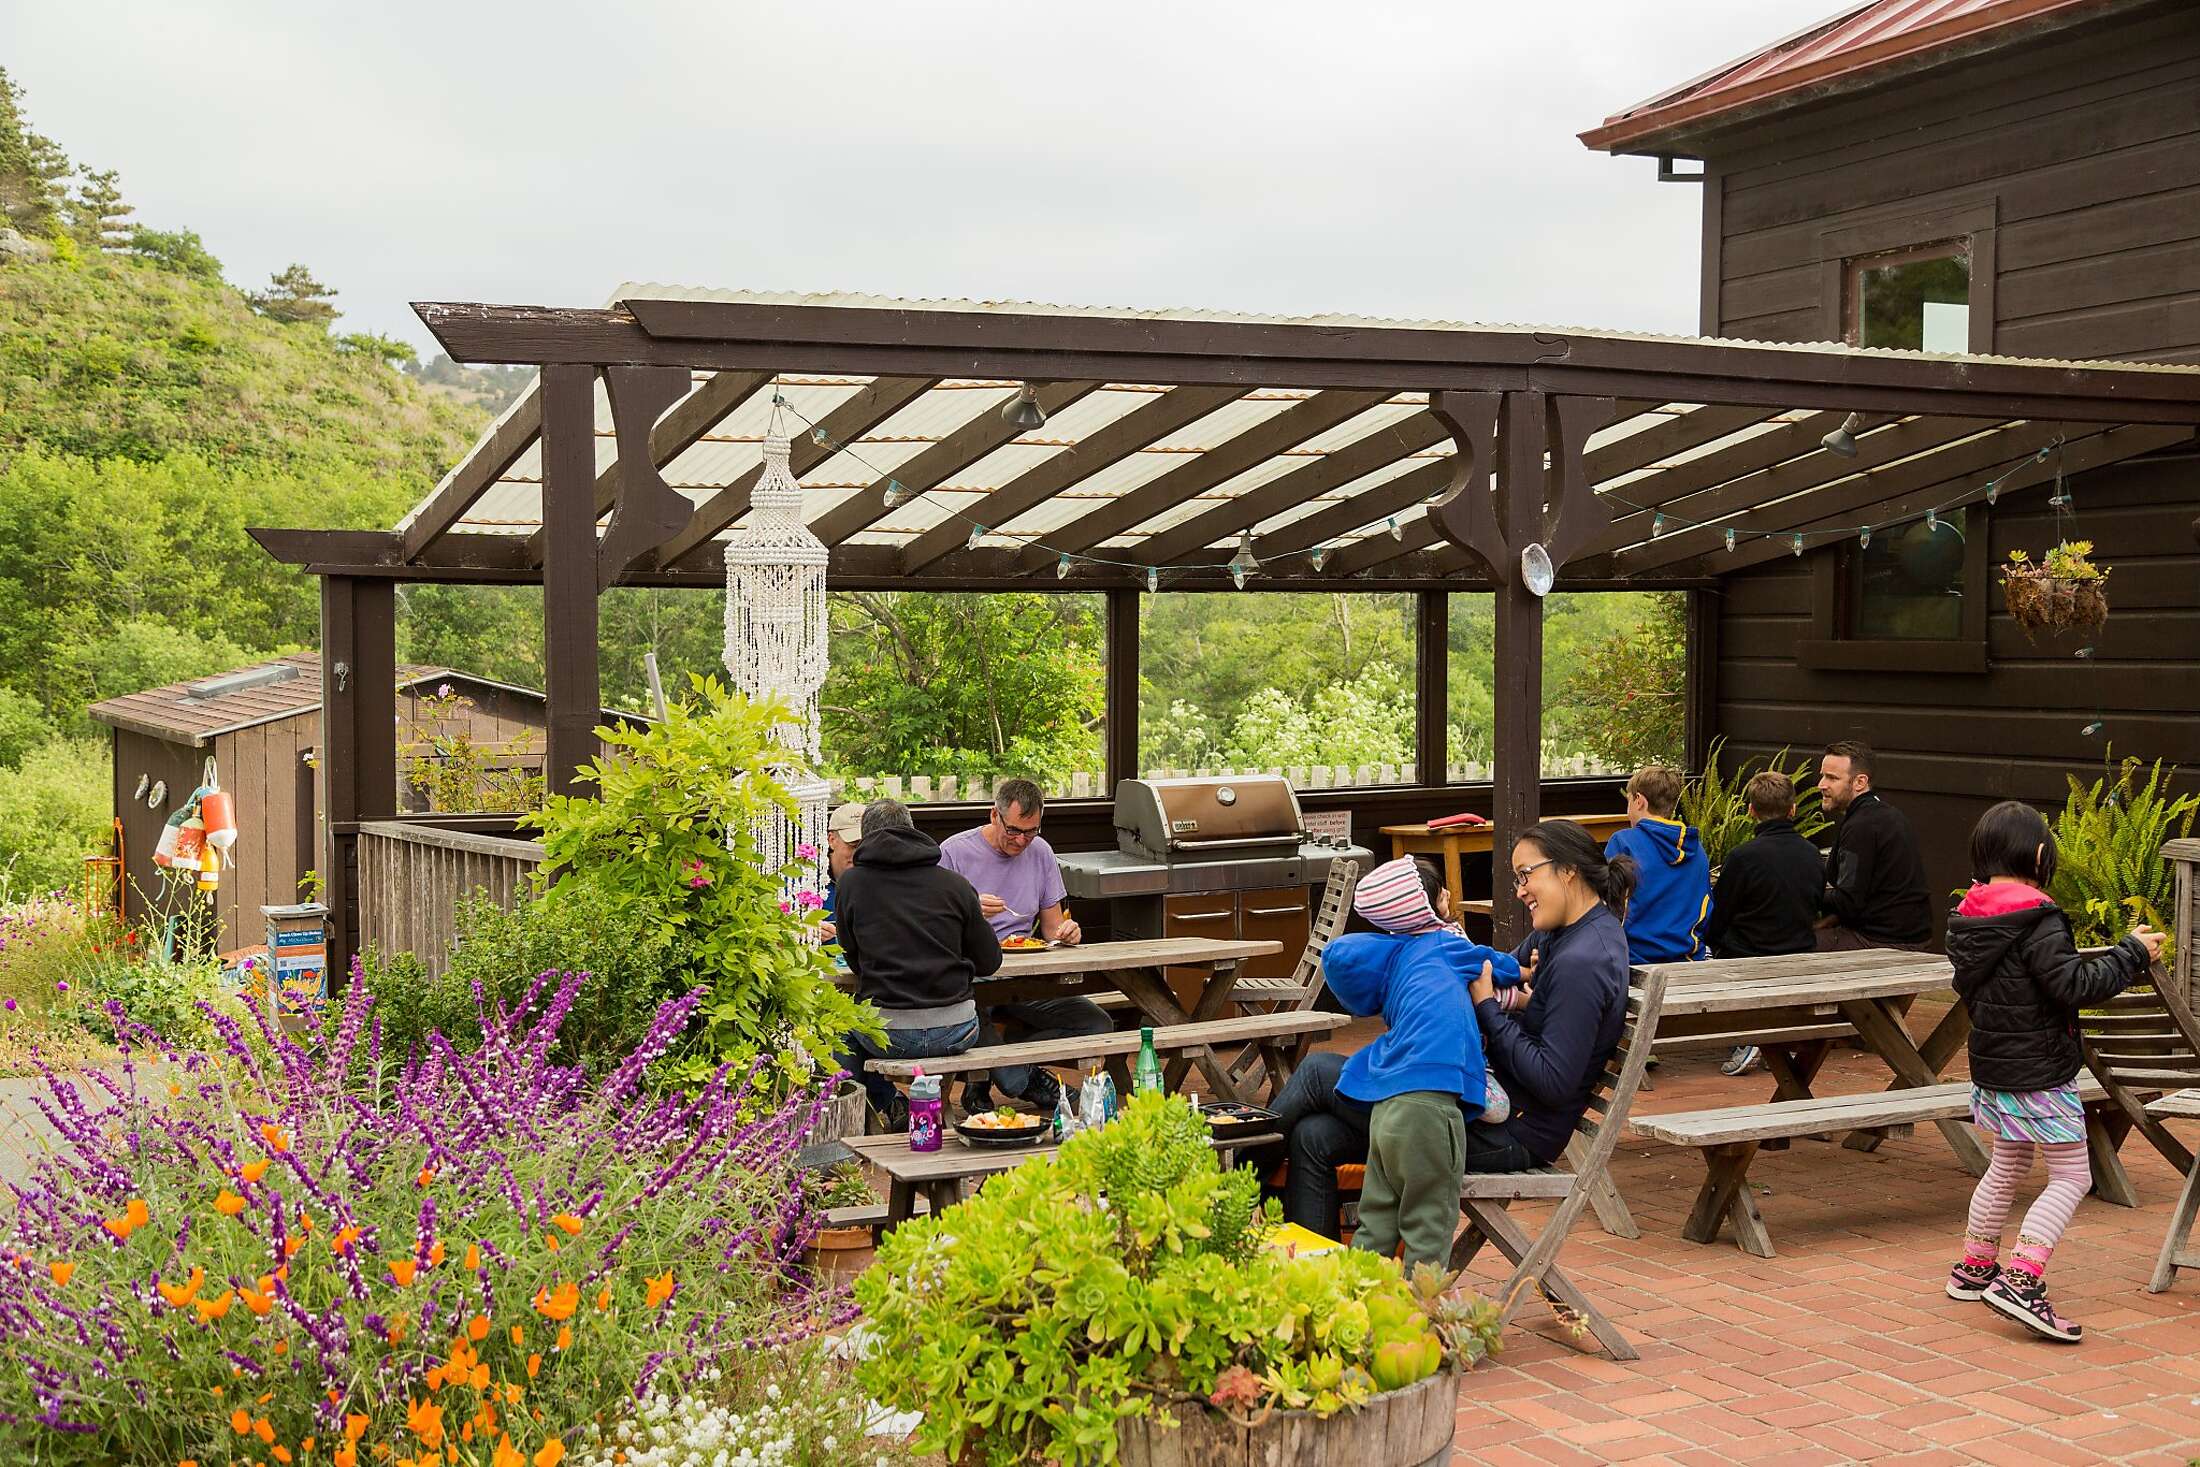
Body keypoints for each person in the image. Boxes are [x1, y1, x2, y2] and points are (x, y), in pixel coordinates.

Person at [1943, 800, 2163, 1343]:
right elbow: (2073, 986)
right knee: (2072, 1175)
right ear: (2042, 855)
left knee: (2008, 1162)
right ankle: (2021, 1281)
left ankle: (1975, 1266)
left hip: (1993, 1067)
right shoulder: (2037, 918)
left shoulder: (1970, 917)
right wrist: (2132, 952)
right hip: (2040, 1071)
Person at [1265, 858, 1519, 1264]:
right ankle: (1419, 1317)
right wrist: (1526, 972)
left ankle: (1347, 1300)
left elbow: (1343, 954)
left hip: (1386, 1105)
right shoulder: (1449, 944)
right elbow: (1496, 968)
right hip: (1430, 1106)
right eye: (1441, 891)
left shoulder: (1398, 958)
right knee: (1427, 1230)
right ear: (1431, 906)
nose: (1450, 895)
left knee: (1376, 1223)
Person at [1466, 821, 1637, 1175]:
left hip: (1514, 1130)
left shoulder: (1584, 960)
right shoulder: (1559, 933)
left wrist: (1488, 1008)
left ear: (1569, 869)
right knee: (1321, 1125)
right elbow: (1496, 967)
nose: (1519, 891)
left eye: (1525, 874)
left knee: (1325, 1096)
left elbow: (1552, 1081)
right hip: (1498, 1106)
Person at [830, 800, 1002, 1130]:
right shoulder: (955, 885)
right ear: (913, 830)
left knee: (841, 1030)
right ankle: (918, 1110)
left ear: (866, 839)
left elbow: (854, 960)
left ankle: (858, 1122)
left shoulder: (852, 886)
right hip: (957, 1030)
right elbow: (990, 961)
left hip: (887, 1034)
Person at [939, 778, 1108, 1114]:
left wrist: (1067, 933)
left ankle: (1007, 1059)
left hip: (1026, 977)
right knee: (972, 1021)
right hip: (971, 979)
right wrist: (968, 909)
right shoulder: (954, 853)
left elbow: (1051, 930)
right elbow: (934, 933)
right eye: (1014, 830)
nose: (1021, 840)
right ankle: (1018, 1076)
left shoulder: (1040, 852)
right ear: (994, 816)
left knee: (1097, 1025)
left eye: (1031, 832)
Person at [1704, 770, 1827, 1076]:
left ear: (1750, 810)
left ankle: (1750, 1034)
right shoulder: (1813, 854)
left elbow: (1720, 915)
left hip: (1749, 954)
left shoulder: (1743, 857)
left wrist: (1711, 941)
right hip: (1799, 950)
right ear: (1793, 809)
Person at [1815, 740, 1932, 951]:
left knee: (1786, 945)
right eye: (1822, 775)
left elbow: (1847, 902)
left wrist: (1804, 890)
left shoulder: (1861, 826)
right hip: (1907, 934)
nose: (1821, 785)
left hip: (1886, 942)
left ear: (1860, 782)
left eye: (1832, 778)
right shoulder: (1885, 814)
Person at [1605, 765, 1711, 965]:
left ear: (1639, 801)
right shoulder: (1697, 849)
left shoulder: (1623, 842)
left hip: (1634, 961)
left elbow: (1606, 908)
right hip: (1687, 962)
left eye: (1628, 802)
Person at [815, 800, 866, 945]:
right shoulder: (804, 879)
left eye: (866, 845)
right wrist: (803, 931)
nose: (860, 854)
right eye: (853, 845)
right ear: (831, 840)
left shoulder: (882, 876)